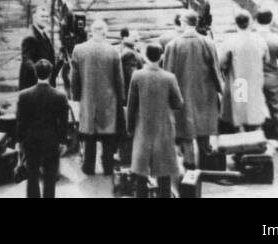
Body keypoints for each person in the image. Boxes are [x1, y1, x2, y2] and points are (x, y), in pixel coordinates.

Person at [162, 11, 222, 168]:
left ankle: (190, 171)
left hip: (182, 97)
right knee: (204, 133)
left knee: (186, 135)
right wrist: (221, 92)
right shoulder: (208, 43)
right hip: (205, 95)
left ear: (182, 23)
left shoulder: (172, 46)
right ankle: (206, 166)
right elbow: (216, 72)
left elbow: (167, 76)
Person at [126, 43, 182, 198]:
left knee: (141, 173)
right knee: (164, 172)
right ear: (161, 57)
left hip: (142, 128)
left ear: (145, 56)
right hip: (164, 129)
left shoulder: (137, 76)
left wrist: (130, 128)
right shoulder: (169, 77)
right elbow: (178, 103)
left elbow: (131, 106)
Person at [71, 19, 124, 175]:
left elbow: (74, 79)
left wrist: (76, 97)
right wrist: (120, 99)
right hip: (109, 100)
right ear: (105, 32)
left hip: (88, 99)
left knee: (90, 135)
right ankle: (107, 166)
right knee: (108, 135)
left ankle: (88, 166)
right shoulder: (114, 51)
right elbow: (119, 80)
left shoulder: (78, 50)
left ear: (91, 31)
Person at [17, 58, 69, 198]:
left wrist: (19, 141)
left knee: (32, 177)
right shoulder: (60, 96)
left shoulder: (24, 96)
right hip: (51, 141)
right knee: (50, 179)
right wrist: (63, 141)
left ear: (35, 73)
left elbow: (21, 121)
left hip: (31, 141)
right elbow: (63, 122)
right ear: (51, 73)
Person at [219, 11, 269, 134]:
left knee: (239, 113)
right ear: (250, 22)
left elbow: (222, 63)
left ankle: (242, 143)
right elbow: (266, 60)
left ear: (236, 23)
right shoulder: (259, 40)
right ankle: (256, 138)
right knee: (255, 110)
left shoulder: (230, 41)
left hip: (239, 81)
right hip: (255, 80)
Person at [255, 10, 278, 151]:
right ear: (271, 21)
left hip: (254, 78)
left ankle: (256, 142)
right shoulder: (277, 39)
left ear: (256, 20)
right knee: (277, 109)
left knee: (254, 109)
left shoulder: (251, 38)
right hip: (272, 78)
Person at [19, 8, 56, 89]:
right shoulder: (30, 36)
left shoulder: (43, 34)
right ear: (34, 18)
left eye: (47, 16)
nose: (45, 19)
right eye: (42, 16)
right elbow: (27, 61)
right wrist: (42, 75)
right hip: (33, 85)